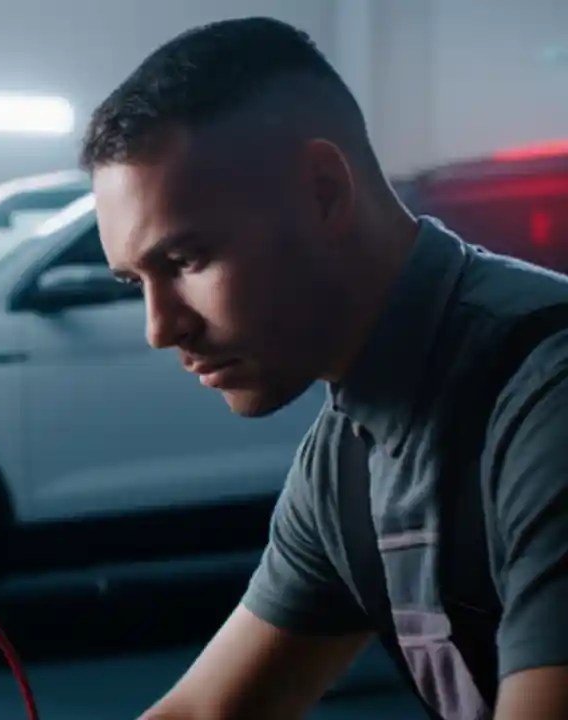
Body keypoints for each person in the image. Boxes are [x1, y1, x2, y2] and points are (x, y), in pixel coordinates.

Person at [79, 16, 568, 720]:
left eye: (185, 261)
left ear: (324, 192)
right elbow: (206, 712)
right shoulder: (347, 455)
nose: (161, 329)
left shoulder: (547, 402)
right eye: (136, 281)